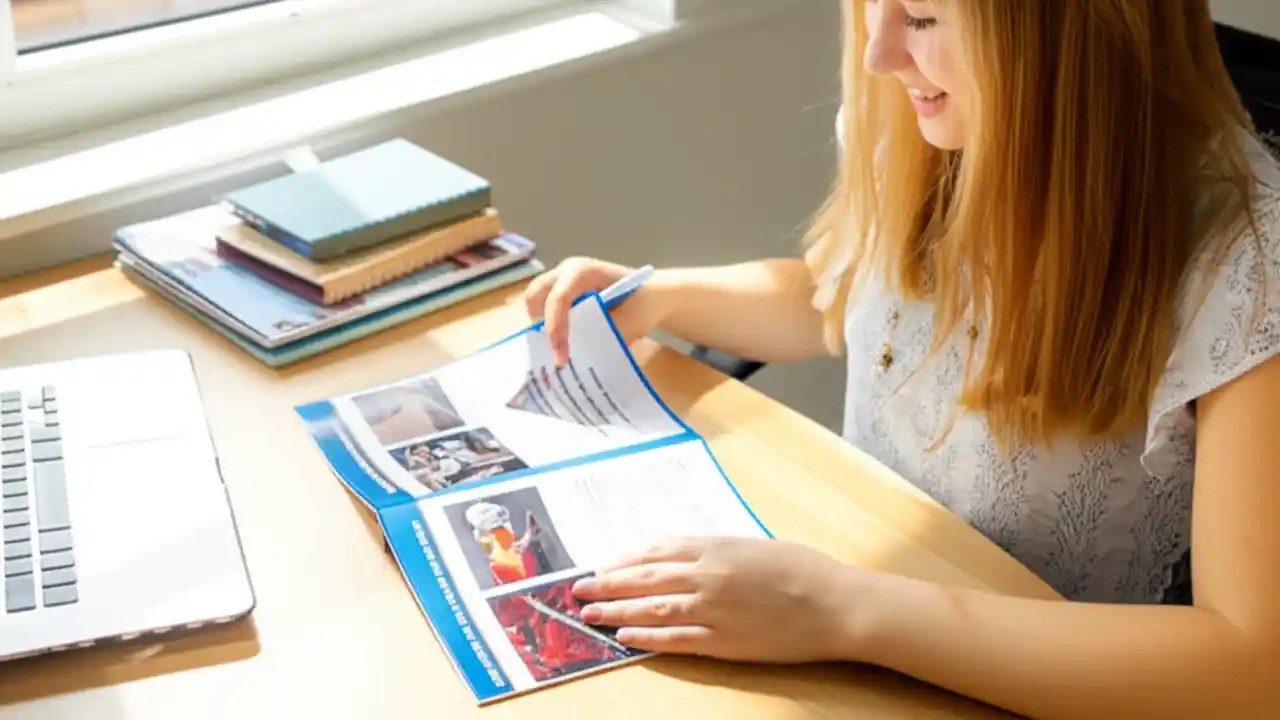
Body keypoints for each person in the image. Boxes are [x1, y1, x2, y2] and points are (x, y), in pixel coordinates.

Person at [523, 1, 1280, 717]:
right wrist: (667, 297)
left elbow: (1252, 668)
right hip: (863, 616)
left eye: (920, 17)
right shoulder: (929, 118)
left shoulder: (1249, 259)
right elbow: (855, 296)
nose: (881, 54)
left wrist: (838, 608)